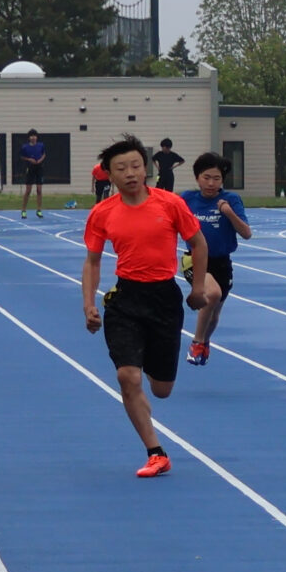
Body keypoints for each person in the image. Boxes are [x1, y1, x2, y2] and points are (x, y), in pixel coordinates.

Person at [81, 134, 208, 477]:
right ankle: (156, 452)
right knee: (127, 375)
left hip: (164, 299)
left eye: (136, 165)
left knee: (161, 390)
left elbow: (197, 243)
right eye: (121, 168)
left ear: (147, 168)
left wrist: (196, 289)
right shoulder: (102, 213)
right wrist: (89, 304)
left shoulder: (170, 204)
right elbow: (92, 261)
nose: (130, 173)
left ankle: (147, 366)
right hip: (126, 300)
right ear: (109, 174)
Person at [180, 152, 252, 367]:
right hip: (195, 260)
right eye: (206, 177)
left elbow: (247, 233)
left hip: (222, 263)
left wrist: (228, 213)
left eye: (216, 178)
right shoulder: (187, 199)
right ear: (197, 178)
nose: (211, 183)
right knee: (212, 293)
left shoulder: (231, 200)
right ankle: (196, 341)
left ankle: (205, 341)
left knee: (213, 317)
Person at [19, 128, 45, 219]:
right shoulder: (25, 147)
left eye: (34, 136)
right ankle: (23, 210)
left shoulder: (41, 145)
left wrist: (40, 160)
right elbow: (22, 157)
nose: (33, 137)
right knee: (28, 190)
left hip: (39, 168)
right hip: (30, 168)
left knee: (39, 190)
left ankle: (39, 210)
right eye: (31, 136)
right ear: (29, 138)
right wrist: (29, 159)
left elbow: (44, 154)